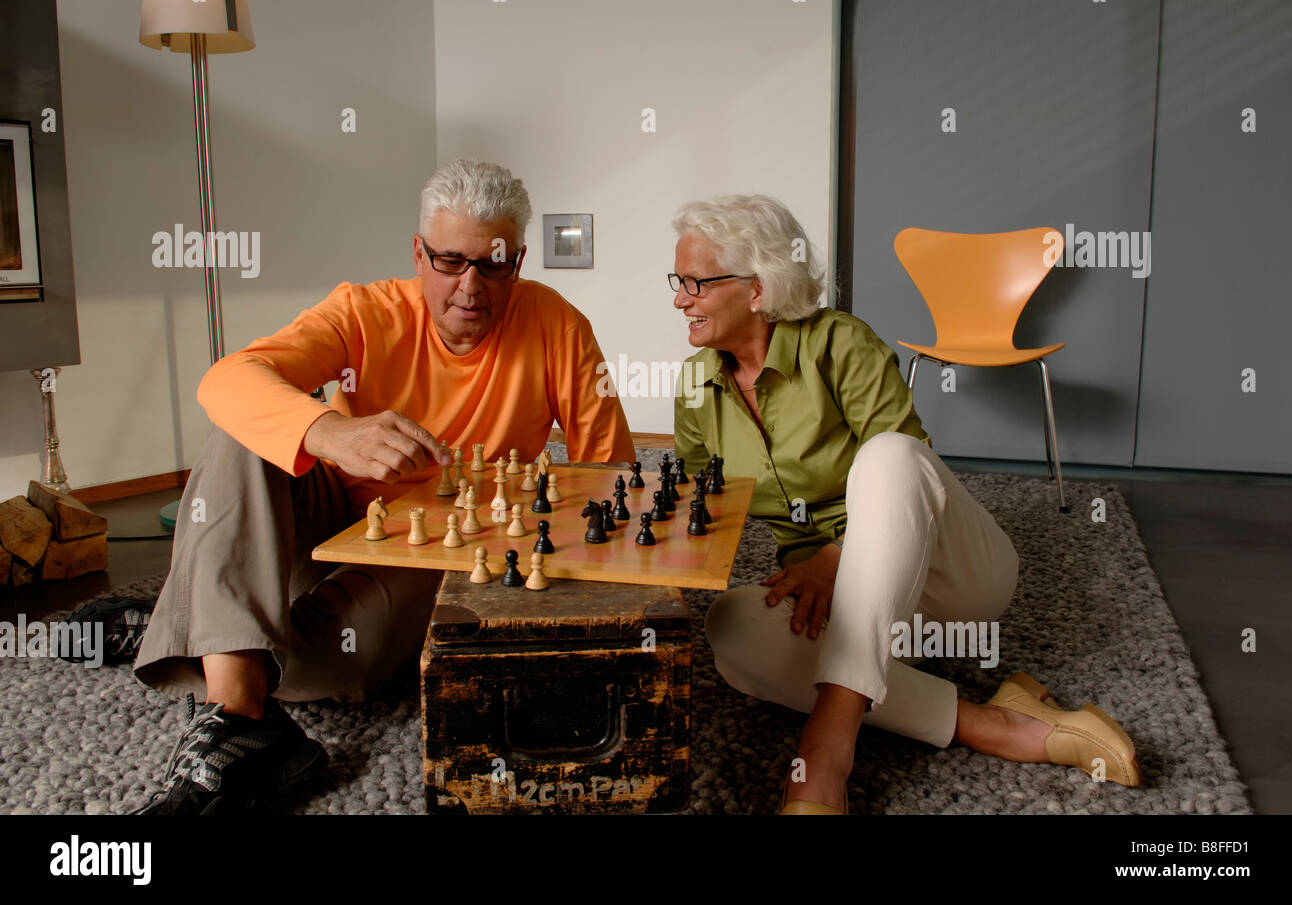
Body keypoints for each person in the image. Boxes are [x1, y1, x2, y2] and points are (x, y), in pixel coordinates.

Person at [132, 159, 635, 813]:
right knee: (240, 431)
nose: (470, 287)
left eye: (494, 264)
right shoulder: (362, 311)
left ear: (519, 261)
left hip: (439, 542)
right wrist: (325, 430)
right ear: (417, 254)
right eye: (450, 261)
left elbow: (610, 474)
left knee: (353, 664)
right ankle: (241, 714)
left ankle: (206, 617)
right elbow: (226, 379)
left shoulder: (558, 324)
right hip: (323, 519)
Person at [670, 194, 1141, 814]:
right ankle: (999, 722)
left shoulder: (840, 343)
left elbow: (910, 473)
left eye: (697, 283)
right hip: (855, 618)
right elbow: (696, 510)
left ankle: (828, 747)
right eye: (678, 281)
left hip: (951, 579)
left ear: (757, 288)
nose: (680, 299)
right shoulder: (694, 386)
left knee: (889, 455)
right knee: (731, 630)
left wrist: (834, 560)